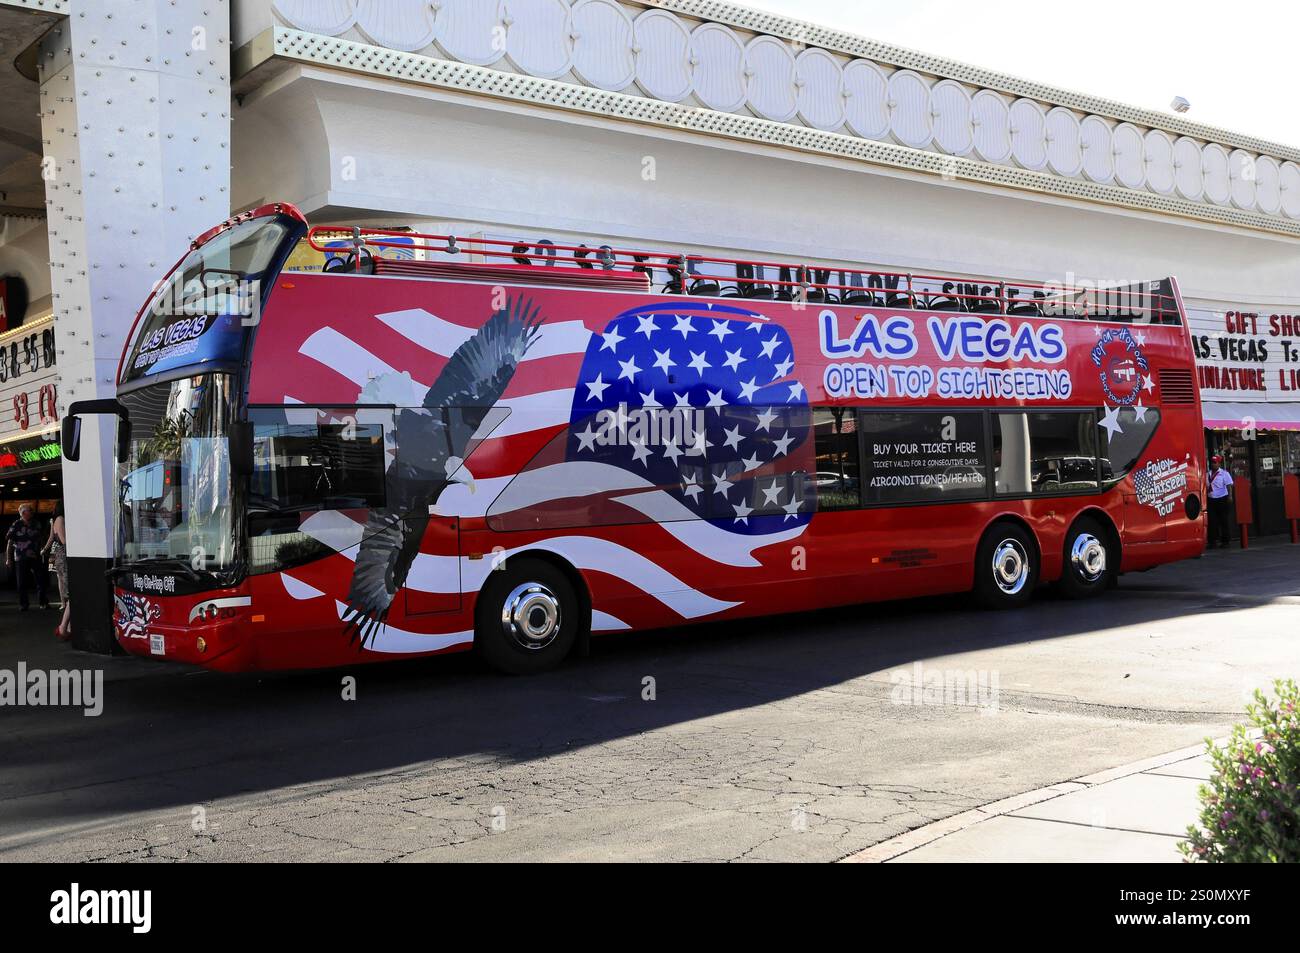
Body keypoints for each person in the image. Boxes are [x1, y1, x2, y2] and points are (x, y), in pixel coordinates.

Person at [4, 503, 49, 610]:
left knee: (41, 580)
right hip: (21, 557)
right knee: (21, 582)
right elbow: (10, 543)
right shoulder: (16, 525)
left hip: (35, 556)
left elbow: (41, 538)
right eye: (30, 510)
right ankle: (24, 604)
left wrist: (43, 549)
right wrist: (8, 559)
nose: (32, 511)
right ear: (23, 513)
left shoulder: (36, 523)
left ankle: (43, 603)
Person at [42, 502, 70, 640]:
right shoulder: (60, 519)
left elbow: (51, 538)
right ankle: (64, 627)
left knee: (64, 582)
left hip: (59, 554)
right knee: (68, 586)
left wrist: (45, 549)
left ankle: (67, 626)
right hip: (63, 554)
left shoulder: (56, 519)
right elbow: (64, 540)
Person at [1206, 454, 1235, 549]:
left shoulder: (1224, 473)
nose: (1213, 464)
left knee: (1224, 521)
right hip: (1211, 499)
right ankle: (1213, 541)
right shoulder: (1208, 474)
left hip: (1222, 498)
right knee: (1212, 521)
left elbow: (1229, 485)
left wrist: (1230, 496)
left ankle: (1225, 541)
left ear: (1219, 464)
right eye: (1212, 462)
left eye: (1215, 462)